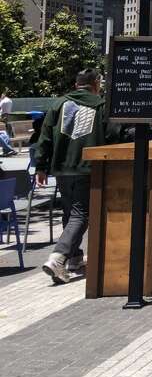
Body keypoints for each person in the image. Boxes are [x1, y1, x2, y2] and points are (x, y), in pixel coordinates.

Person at [36, 69, 117, 283]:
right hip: (88, 166)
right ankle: (58, 257)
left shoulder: (58, 104)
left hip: (61, 167)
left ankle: (74, 258)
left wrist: (40, 167)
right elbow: (112, 134)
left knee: (70, 211)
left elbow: (44, 137)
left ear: (76, 84)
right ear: (96, 84)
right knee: (82, 214)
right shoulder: (100, 105)